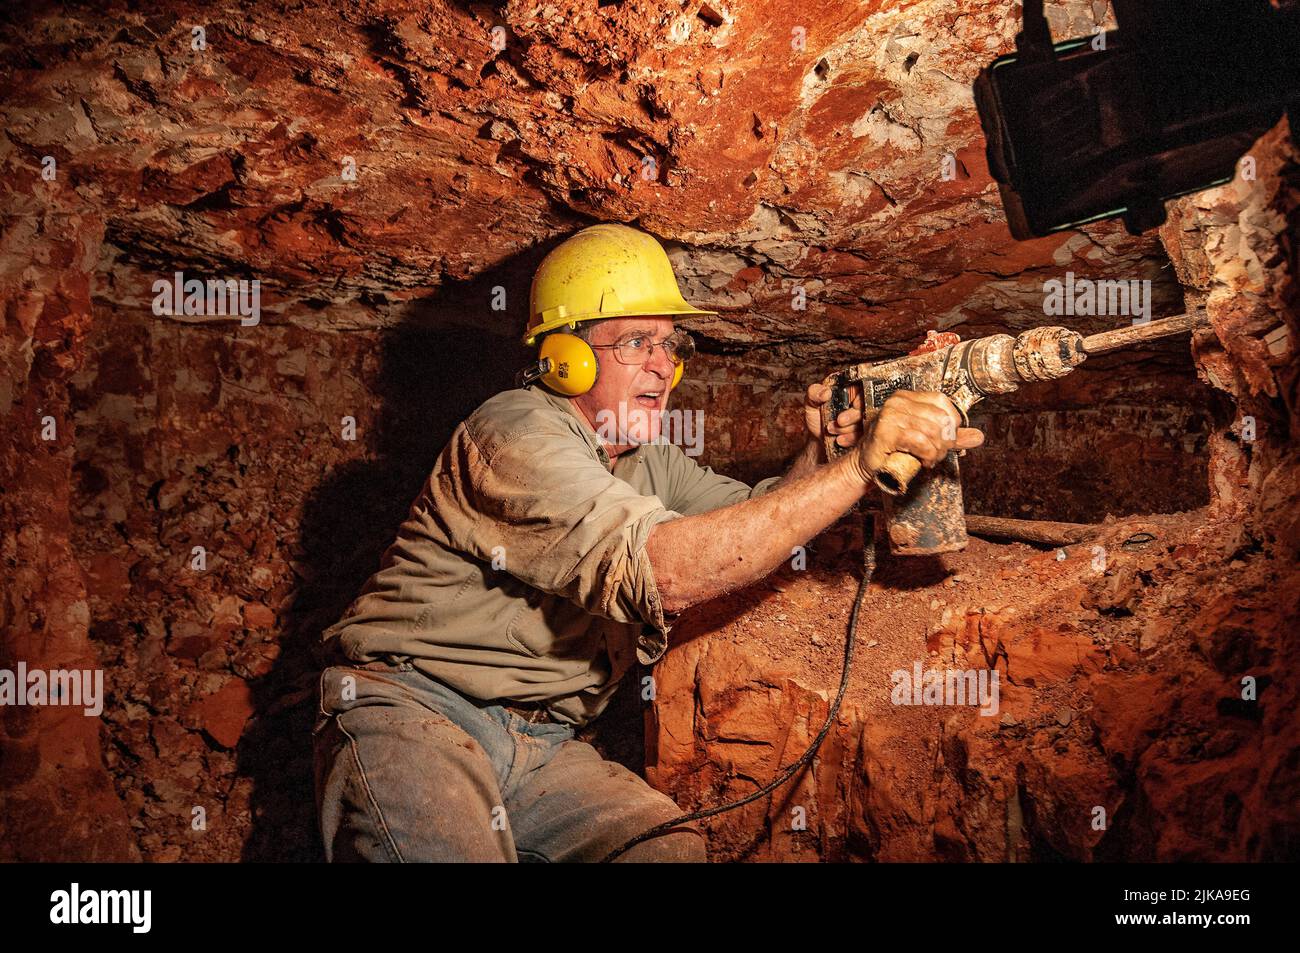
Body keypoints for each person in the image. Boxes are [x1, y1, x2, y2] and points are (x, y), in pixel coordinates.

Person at [312, 223, 983, 862]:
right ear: (564, 358)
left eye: (671, 345)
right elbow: (659, 570)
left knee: (668, 847)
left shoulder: (646, 458)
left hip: (542, 743)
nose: (663, 365)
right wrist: (860, 467)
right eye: (637, 342)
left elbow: (759, 520)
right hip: (414, 711)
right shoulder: (513, 433)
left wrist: (825, 452)